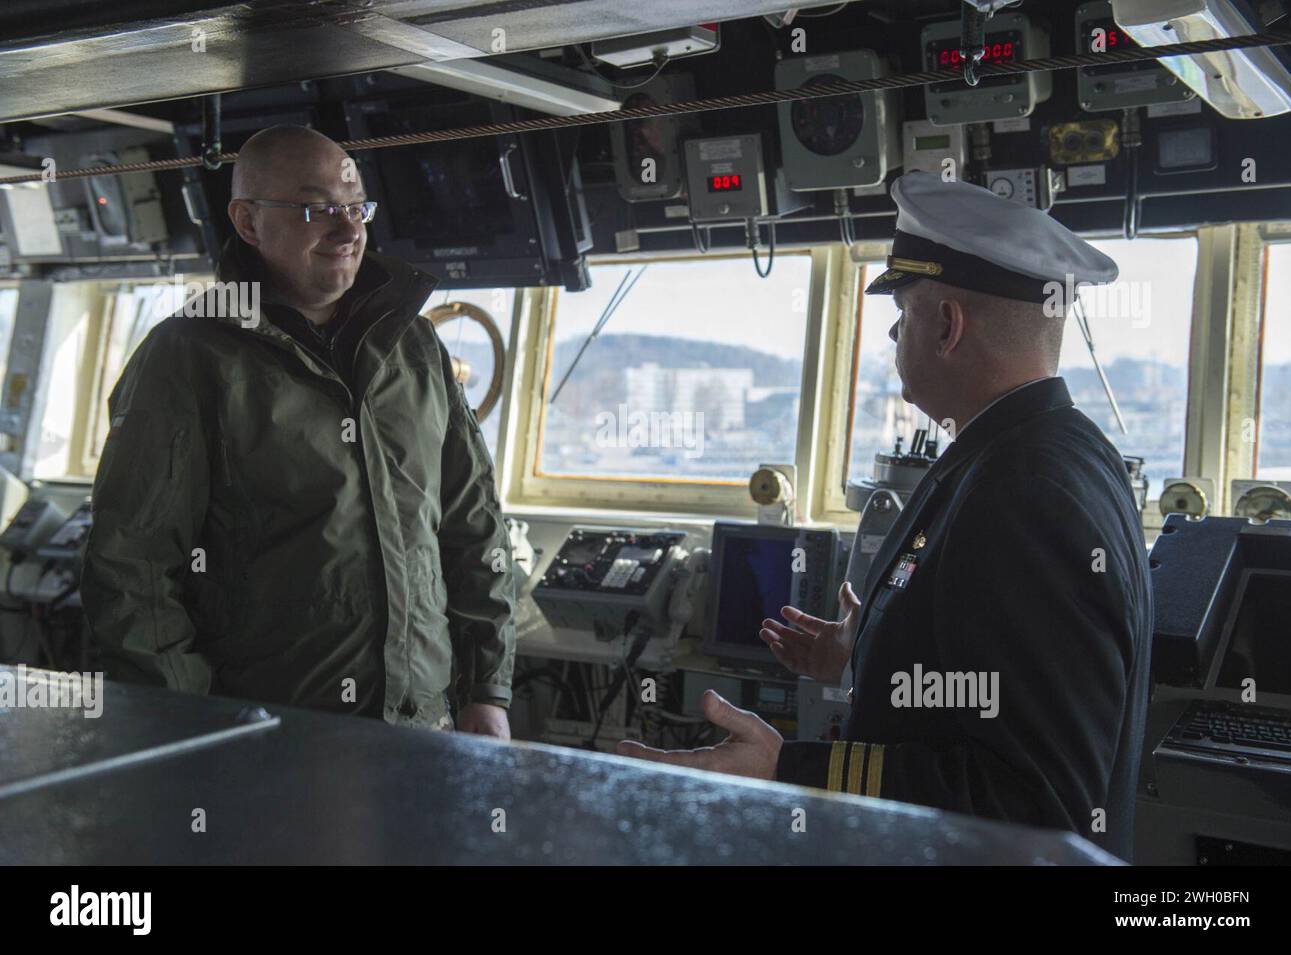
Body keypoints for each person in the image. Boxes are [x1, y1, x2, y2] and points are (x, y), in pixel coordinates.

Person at [618, 171, 1153, 861]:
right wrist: (867, 650)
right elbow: (989, 682)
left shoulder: (1025, 494)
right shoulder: (1042, 450)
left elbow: (1035, 805)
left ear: (947, 325)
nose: (893, 333)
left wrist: (789, 768)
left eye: (902, 312)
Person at [82, 125, 515, 738]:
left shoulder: (416, 348)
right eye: (318, 210)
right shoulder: (187, 357)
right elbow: (133, 568)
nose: (348, 230)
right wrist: (190, 725)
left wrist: (488, 689)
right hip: (264, 736)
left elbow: (475, 527)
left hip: (423, 728)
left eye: (356, 207)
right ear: (249, 222)